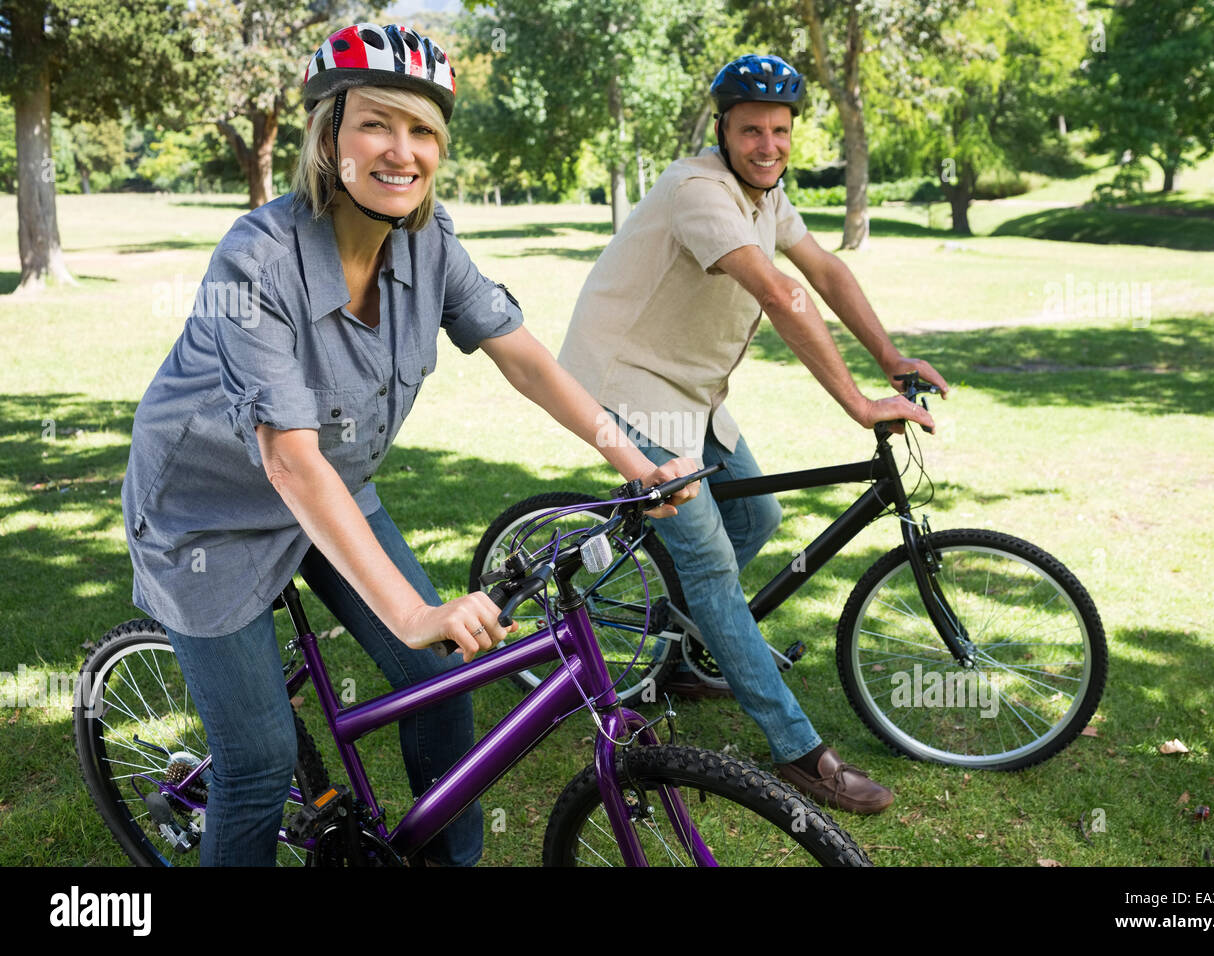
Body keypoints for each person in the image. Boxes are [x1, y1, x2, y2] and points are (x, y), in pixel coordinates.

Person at [121, 22, 698, 866]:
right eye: (376, 123)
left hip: (335, 485)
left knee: (441, 685)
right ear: (328, 137)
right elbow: (286, 455)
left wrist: (637, 462)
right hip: (210, 517)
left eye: (423, 130)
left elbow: (527, 361)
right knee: (257, 763)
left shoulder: (429, 243)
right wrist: (413, 612)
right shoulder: (256, 258)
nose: (403, 150)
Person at [558, 54, 949, 815]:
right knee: (708, 568)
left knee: (756, 515)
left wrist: (891, 357)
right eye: (750, 130)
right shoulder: (698, 190)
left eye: (779, 130)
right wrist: (858, 403)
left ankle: (670, 655)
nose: (766, 144)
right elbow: (778, 292)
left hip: (691, 389)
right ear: (723, 129)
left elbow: (825, 272)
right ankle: (802, 755)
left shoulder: (768, 195)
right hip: (627, 382)